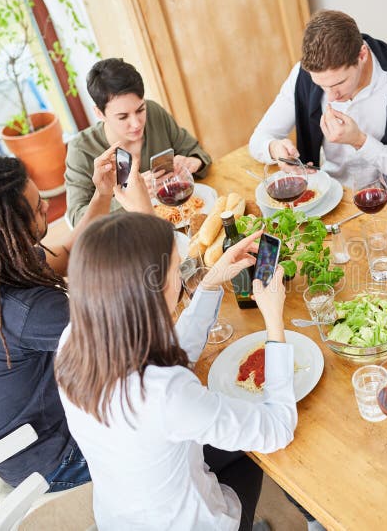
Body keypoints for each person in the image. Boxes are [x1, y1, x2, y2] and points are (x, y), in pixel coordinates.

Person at [55, 212, 296, 530]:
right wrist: (274, 321)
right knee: (252, 457)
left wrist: (209, 283)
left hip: (119, 516)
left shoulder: (75, 339)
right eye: (177, 268)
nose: (183, 278)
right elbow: (278, 427)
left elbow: (168, 363)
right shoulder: (166, 394)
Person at [0, 146, 150, 491]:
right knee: (173, 410)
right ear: (11, 230)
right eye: (37, 207)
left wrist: (103, 193)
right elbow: (131, 336)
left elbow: (64, 255)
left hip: (14, 442)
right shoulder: (25, 308)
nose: (48, 205)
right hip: (49, 459)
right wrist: (146, 218)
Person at [249, 10, 387, 214]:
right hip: (322, 198)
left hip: (386, 206)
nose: (331, 97)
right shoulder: (304, 75)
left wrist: (360, 141)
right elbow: (258, 139)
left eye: (339, 83)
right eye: (321, 85)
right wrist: (274, 149)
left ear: (362, 55)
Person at [65, 57, 212, 226]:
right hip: (127, 238)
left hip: (182, 222)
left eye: (140, 109)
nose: (136, 124)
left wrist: (194, 162)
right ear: (99, 113)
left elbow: (195, 151)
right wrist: (131, 196)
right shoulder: (81, 150)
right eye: (123, 117)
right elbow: (78, 220)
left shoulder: (154, 112)